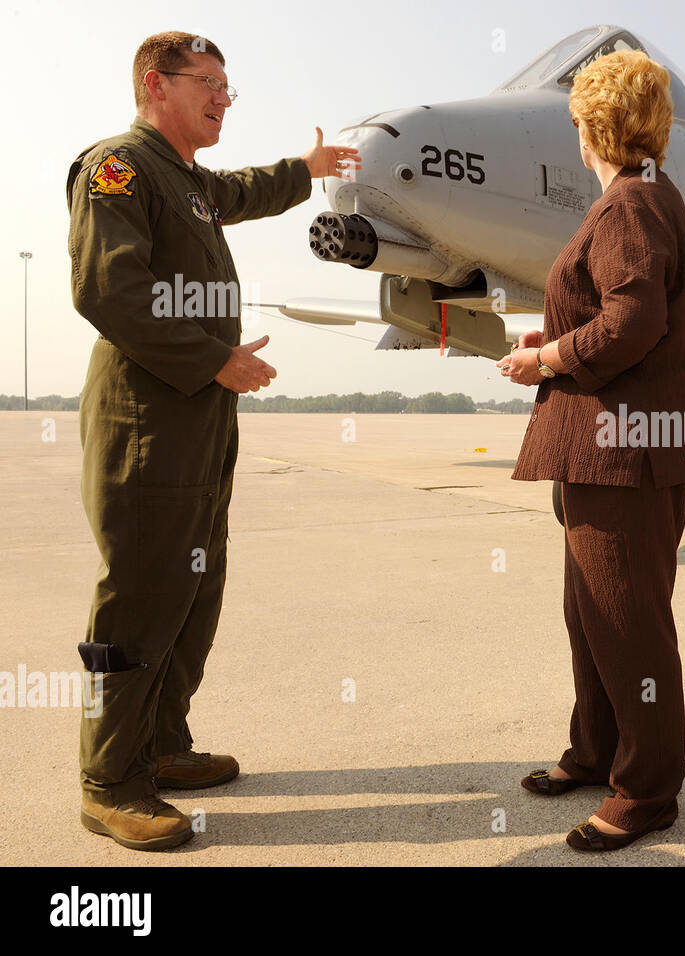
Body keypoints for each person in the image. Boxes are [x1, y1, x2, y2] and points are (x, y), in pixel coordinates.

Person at [67, 30, 359, 851]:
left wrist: (306, 172)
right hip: (148, 419)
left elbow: (235, 191)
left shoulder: (187, 181)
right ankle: (107, 781)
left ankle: (158, 744)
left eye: (231, 88)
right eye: (210, 84)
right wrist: (213, 359)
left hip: (198, 417)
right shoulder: (118, 167)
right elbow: (108, 288)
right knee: (139, 594)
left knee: (193, 589)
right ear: (157, 85)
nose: (225, 98)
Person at [500, 49, 685, 851]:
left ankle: (648, 790)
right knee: (590, 615)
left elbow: (633, 324)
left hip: (627, 452)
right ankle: (596, 753)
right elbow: (621, 313)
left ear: (592, 129)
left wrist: (547, 359)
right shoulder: (645, 198)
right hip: (611, 446)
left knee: (628, 623)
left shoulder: (629, 204)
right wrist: (554, 335)